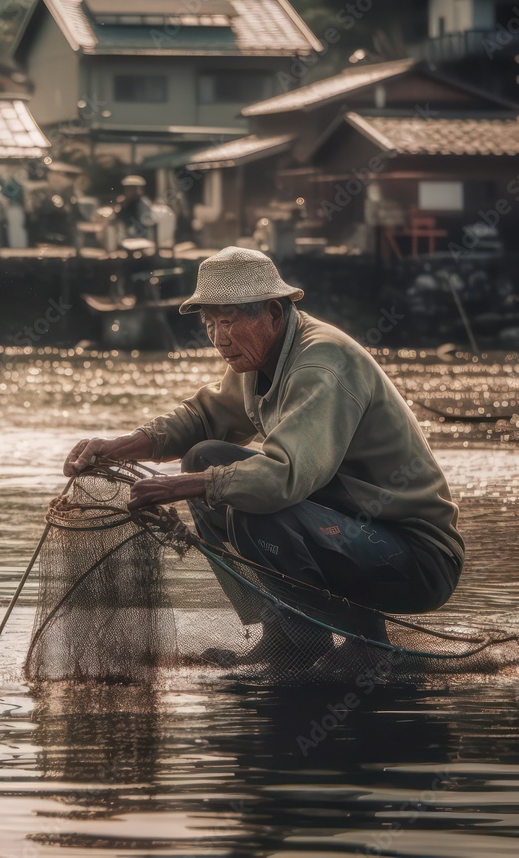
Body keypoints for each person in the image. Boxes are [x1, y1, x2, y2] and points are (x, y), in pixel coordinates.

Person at [64, 246, 464, 659]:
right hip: (353, 530)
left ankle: (342, 642)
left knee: (249, 506)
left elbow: (283, 477)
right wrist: (117, 448)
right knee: (204, 457)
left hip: (415, 556)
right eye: (209, 324)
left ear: (273, 313)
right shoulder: (259, 358)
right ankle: (284, 632)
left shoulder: (320, 362)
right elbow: (203, 417)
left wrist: (182, 487)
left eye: (228, 323)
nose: (219, 339)